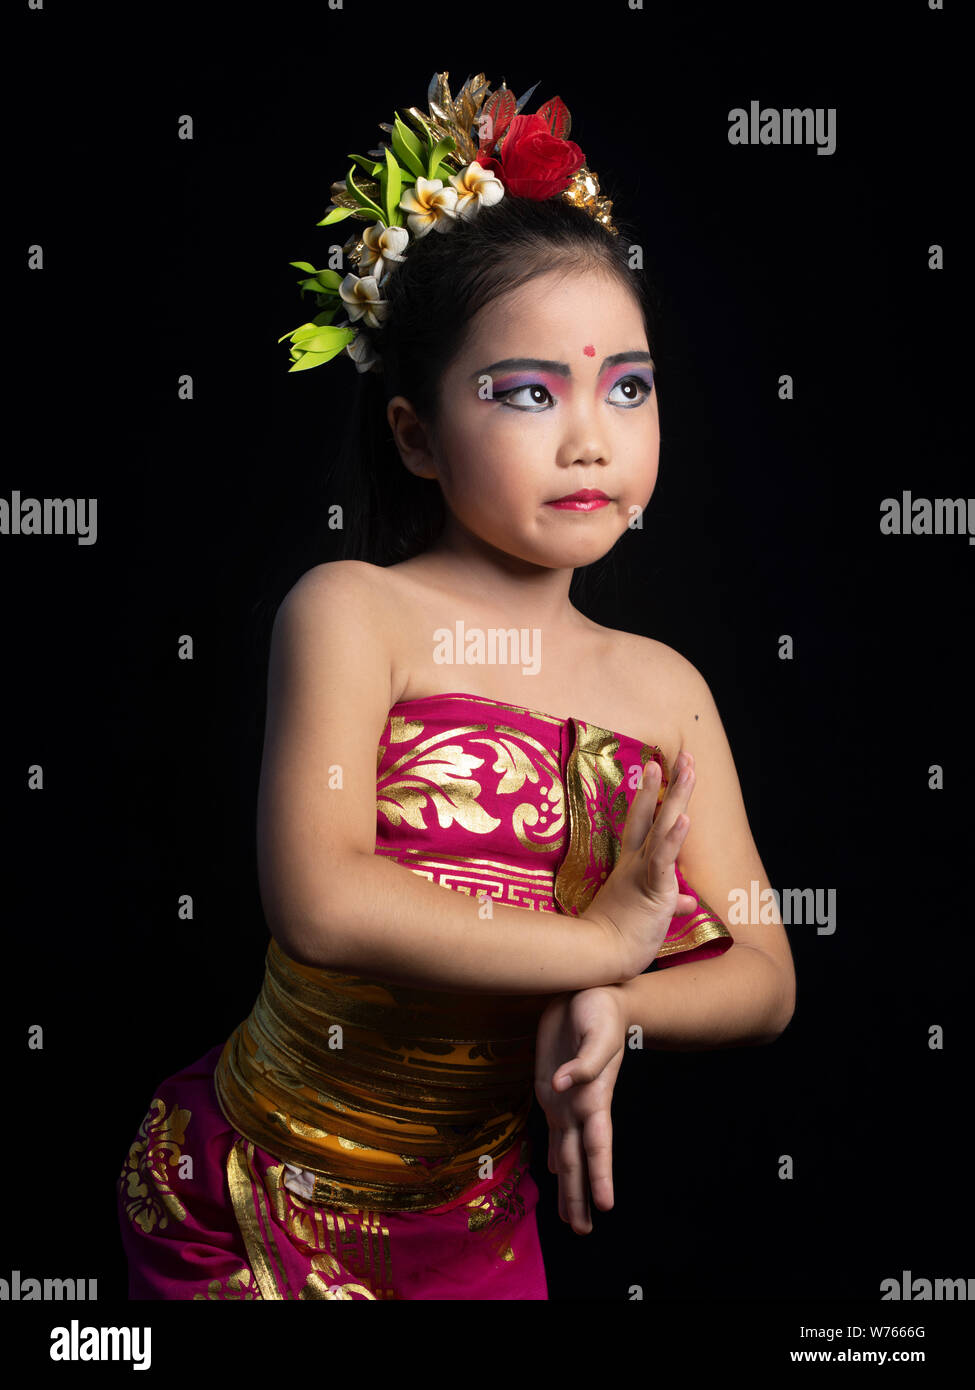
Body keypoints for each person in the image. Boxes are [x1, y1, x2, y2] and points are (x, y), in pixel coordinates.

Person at [116, 70, 796, 1300]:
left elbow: (765, 976)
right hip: (248, 1198)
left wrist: (615, 999)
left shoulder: (666, 687)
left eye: (627, 386)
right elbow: (319, 898)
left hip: (477, 1223)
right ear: (416, 434)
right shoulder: (352, 612)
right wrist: (588, 938)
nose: (590, 435)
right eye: (526, 393)